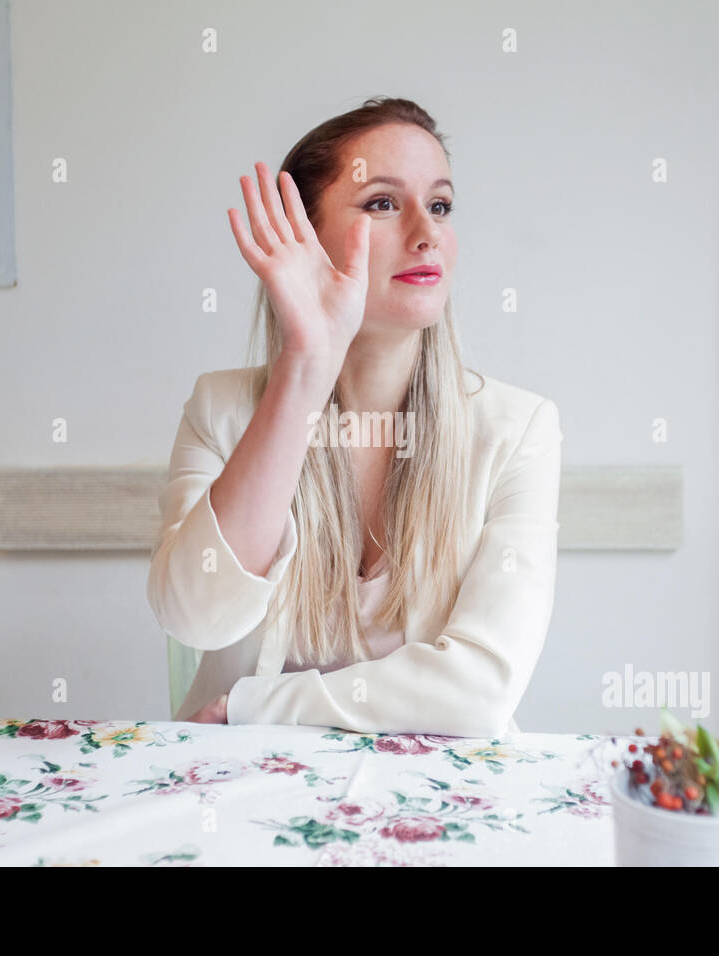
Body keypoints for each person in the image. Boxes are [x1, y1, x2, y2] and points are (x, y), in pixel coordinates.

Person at [146, 96, 562, 736]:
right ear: (301, 240)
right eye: (383, 203)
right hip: (238, 795)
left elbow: (479, 691)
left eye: (441, 205)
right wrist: (306, 363)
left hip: (437, 805)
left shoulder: (518, 431)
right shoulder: (221, 410)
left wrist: (258, 707)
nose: (426, 232)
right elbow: (193, 615)